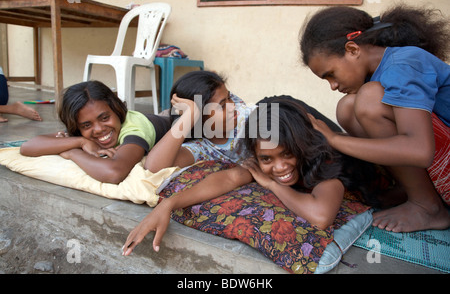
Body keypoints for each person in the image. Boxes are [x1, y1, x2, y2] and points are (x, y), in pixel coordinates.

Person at [122, 96, 383, 255]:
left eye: (287, 154)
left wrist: (271, 183)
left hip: (379, 183)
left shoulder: (323, 161)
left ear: (301, 147)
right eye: (267, 159)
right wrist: (169, 204)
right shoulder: (258, 158)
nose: (279, 167)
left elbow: (320, 217)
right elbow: (227, 179)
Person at [299, 4, 450, 233]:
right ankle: (412, 189)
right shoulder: (385, 70)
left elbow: (420, 149)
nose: (333, 86)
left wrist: (335, 139)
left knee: (369, 99)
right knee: (347, 108)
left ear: (352, 49)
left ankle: (428, 206)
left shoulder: (403, 64)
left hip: (435, 156)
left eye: (331, 74)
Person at [20, 80, 170, 184]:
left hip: (182, 126)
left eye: (104, 118)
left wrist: (73, 152)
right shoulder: (83, 132)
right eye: (86, 125)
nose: (98, 129)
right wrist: (80, 141)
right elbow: (27, 147)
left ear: (116, 110)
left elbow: (115, 173)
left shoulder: (134, 129)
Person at [144, 70, 255, 172]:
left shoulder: (248, 117)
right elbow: (153, 167)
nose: (232, 106)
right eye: (222, 106)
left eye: (229, 97)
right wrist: (190, 113)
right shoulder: (202, 149)